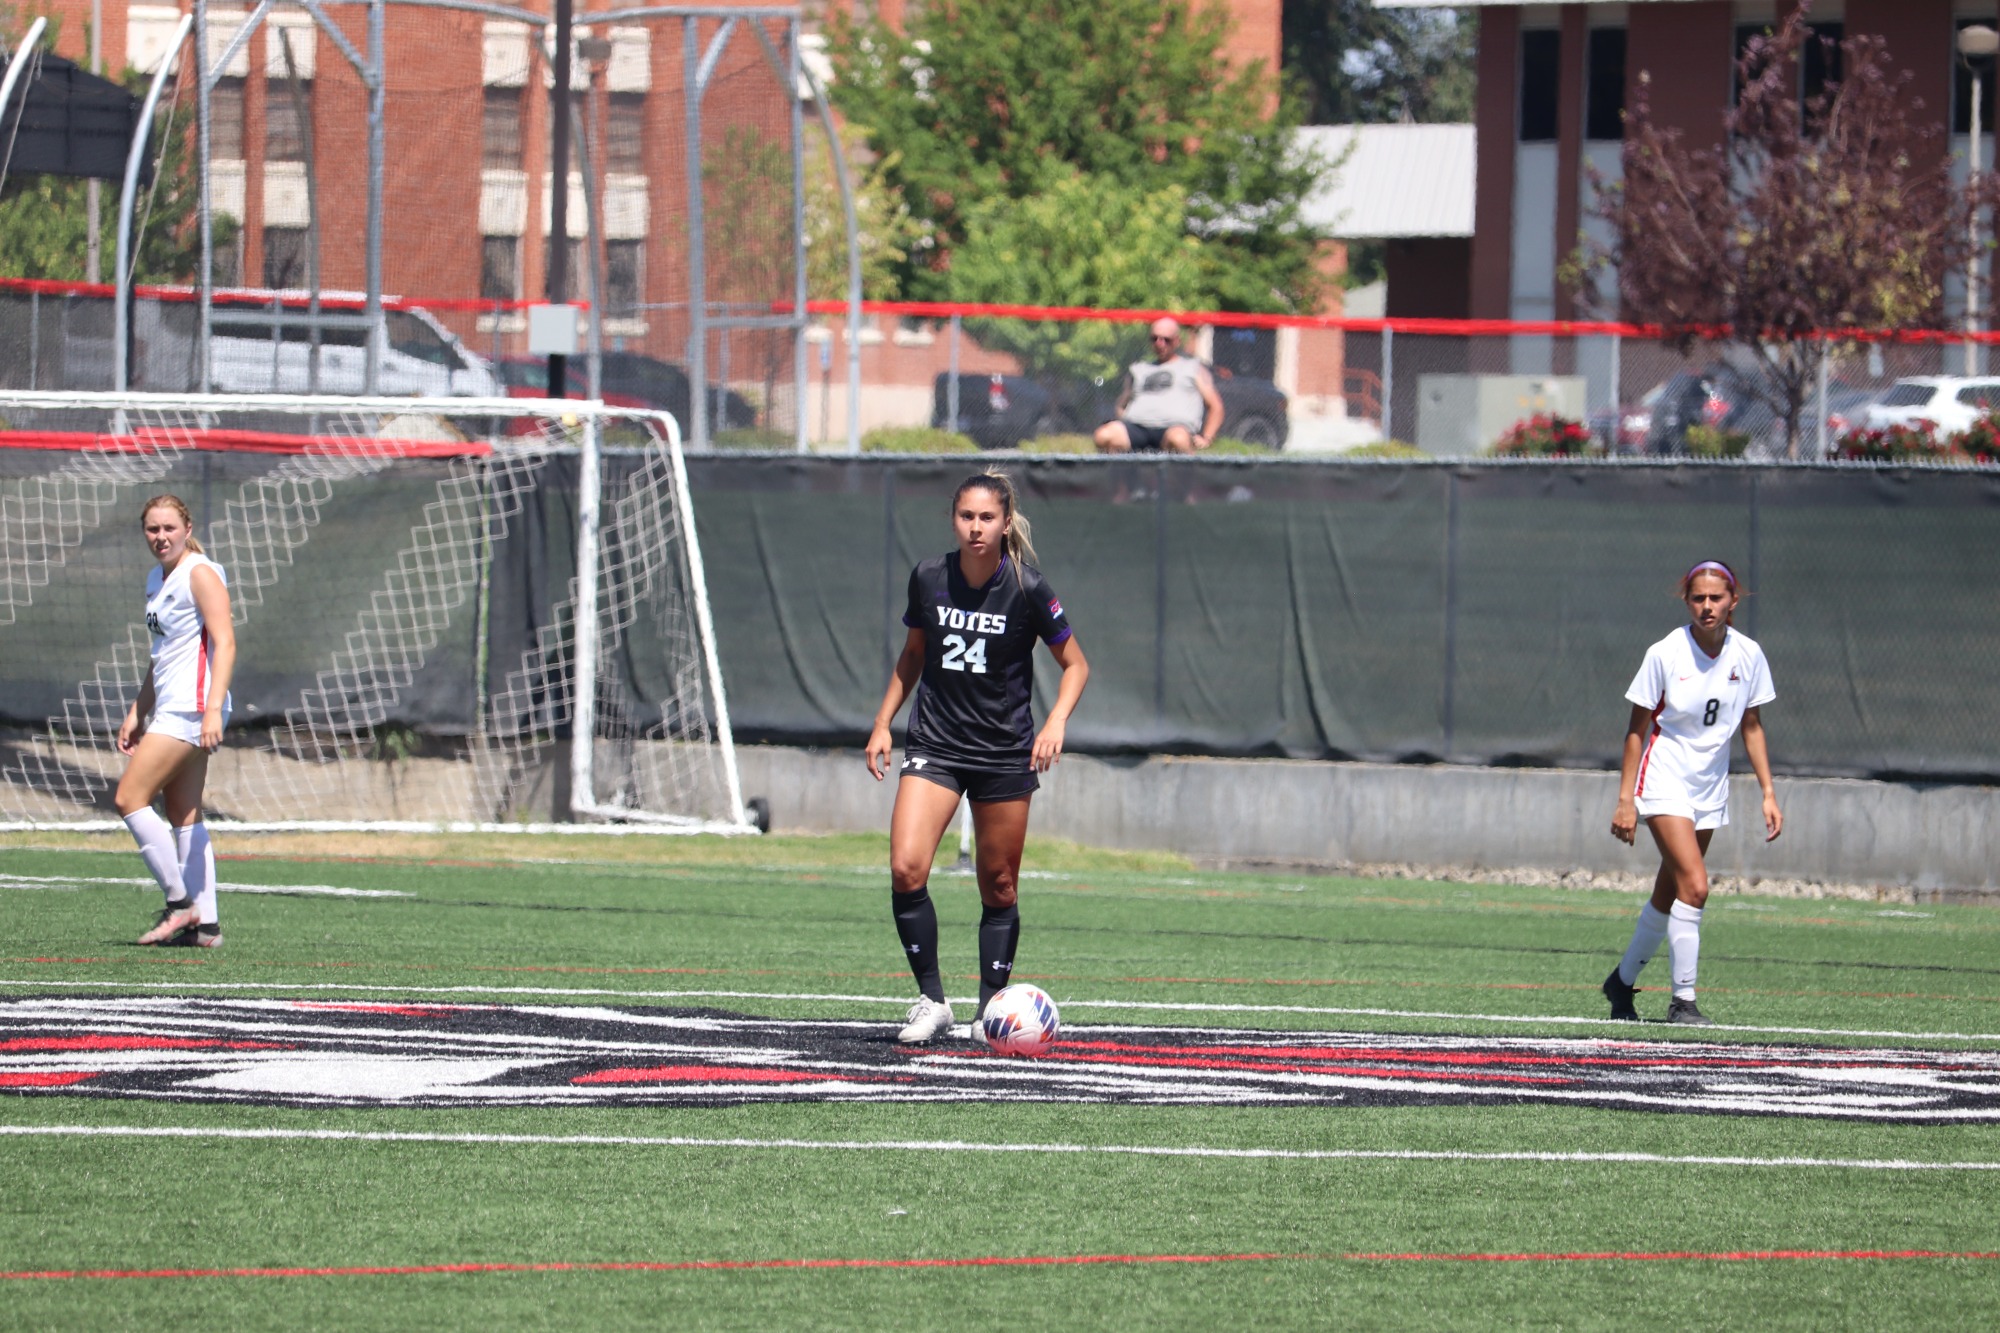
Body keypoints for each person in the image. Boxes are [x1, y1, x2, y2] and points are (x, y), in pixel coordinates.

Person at [866, 470, 1089, 1043]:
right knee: (905, 867)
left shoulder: (1028, 587)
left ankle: (989, 1009)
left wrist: (1056, 720)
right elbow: (912, 655)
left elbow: (1076, 665)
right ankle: (931, 1000)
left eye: (987, 517)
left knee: (999, 885)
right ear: (954, 519)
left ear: (1005, 522)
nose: (975, 527)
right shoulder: (929, 577)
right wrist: (882, 723)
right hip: (936, 744)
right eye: (966, 516)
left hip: (1003, 752)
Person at [1603, 560, 1780, 1025]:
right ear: (1687, 600)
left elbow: (1753, 726)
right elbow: (1636, 730)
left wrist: (1767, 792)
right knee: (1696, 887)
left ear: (1732, 602)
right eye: (1698, 598)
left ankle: (1620, 983)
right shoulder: (1665, 653)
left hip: (1710, 786)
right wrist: (1626, 799)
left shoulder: (1748, 655)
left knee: (1670, 894)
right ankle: (1683, 1002)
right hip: (1665, 780)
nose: (1707, 606)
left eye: (1716, 598)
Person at [115, 495, 235, 949]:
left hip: (192, 707)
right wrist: (137, 710)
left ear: (187, 528)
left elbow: (224, 643)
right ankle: (206, 927)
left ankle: (181, 903)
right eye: (152, 529)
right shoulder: (155, 578)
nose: (160, 537)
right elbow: (162, 654)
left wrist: (211, 709)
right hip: (171, 704)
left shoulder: (199, 572)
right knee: (183, 813)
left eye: (168, 528)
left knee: (129, 797)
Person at [1092, 318, 1225, 454]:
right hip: (1137, 427)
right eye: (1154, 339)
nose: (1159, 344)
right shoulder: (1139, 369)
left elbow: (1216, 406)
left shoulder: (1193, 368)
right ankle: (1121, 475)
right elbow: (1122, 404)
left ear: (1177, 341)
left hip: (1174, 428)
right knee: (1104, 436)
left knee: (1178, 439)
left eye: (1166, 339)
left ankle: (1185, 475)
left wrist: (1207, 438)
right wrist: (1123, 419)